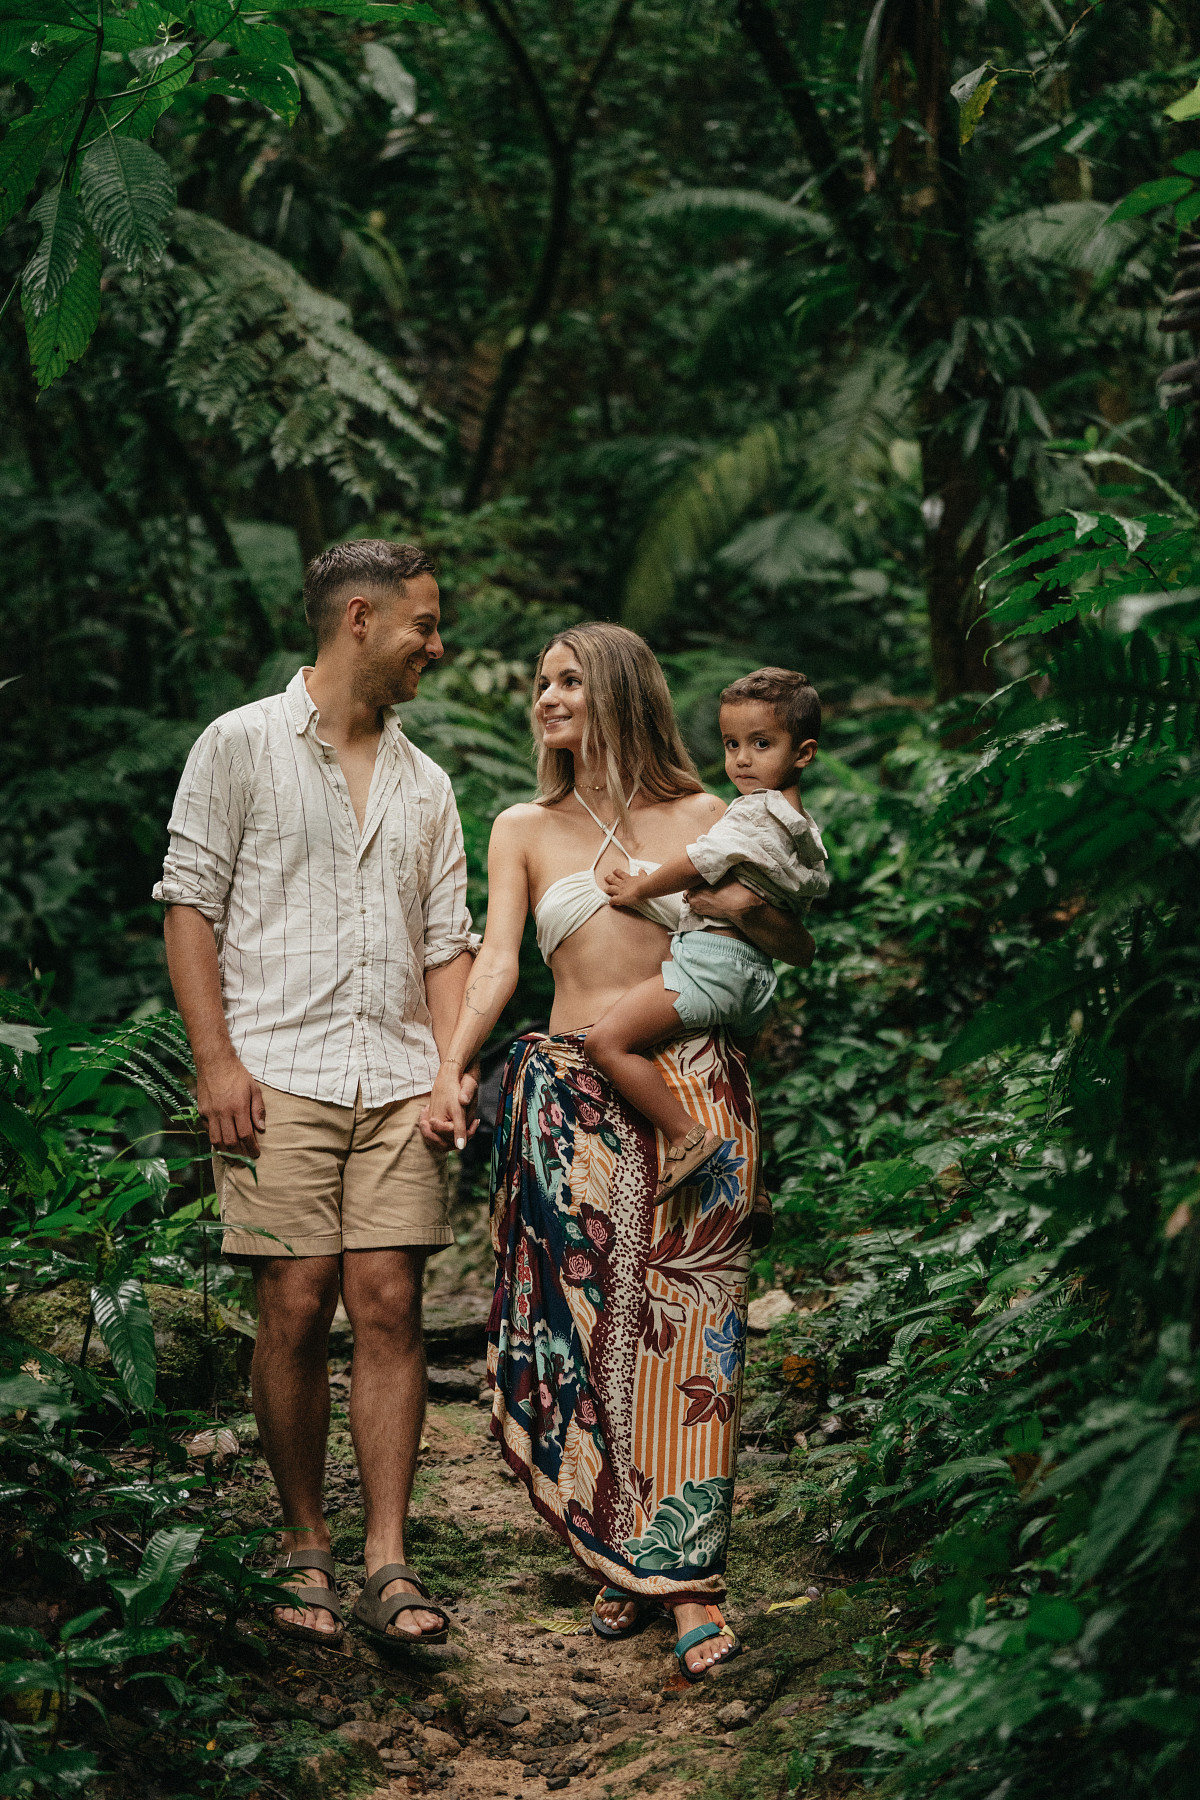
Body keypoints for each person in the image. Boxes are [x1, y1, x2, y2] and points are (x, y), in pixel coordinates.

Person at [423, 623, 814, 1681]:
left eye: (567, 681)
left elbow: (793, 934)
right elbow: (497, 963)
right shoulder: (521, 826)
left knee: (694, 1336)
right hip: (566, 1095)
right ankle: (618, 1544)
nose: (546, 698)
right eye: (539, 682)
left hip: (694, 1081)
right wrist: (455, 1065)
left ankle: (687, 1582)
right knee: (592, 1333)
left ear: (622, 693)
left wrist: (726, 900)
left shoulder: (710, 816)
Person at [155, 540, 479, 1648]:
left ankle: (390, 1559)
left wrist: (449, 1070)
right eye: (423, 627)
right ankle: (305, 1547)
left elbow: (447, 946)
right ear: (358, 618)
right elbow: (189, 905)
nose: (437, 645)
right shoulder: (239, 744)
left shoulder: (426, 783)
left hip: (394, 1079)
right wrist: (216, 1065)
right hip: (274, 1070)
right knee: (293, 1307)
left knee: (390, 1307)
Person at [588, 667, 829, 1202]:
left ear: (803, 753)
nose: (742, 759)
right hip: (755, 981)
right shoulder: (803, 829)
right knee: (735, 1081)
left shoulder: (753, 812)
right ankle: (756, 1187)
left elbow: (699, 860)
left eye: (761, 744)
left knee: (606, 1043)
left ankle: (685, 1138)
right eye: (732, 744)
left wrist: (639, 889)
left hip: (711, 962)